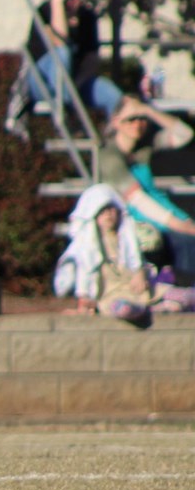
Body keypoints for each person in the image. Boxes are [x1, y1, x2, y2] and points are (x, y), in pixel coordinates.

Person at [98, 93, 195, 277]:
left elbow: (185, 134)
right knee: (186, 243)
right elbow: (138, 200)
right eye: (131, 119)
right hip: (139, 222)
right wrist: (179, 225)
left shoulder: (143, 149)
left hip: (166, 215)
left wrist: (148, 110)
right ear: (116, 122)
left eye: (141, 119)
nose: (137, 124)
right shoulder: (109, 157)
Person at [54, 184, 155, 326]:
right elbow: (84, 271)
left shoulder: (126, 239)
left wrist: (140, 272)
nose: (108, 214)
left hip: (139, 291)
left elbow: (140, 256)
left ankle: (154, 307)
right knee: (124, 309)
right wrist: (84, 300)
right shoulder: (88, 245)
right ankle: (143, 310)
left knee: (179, 296)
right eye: (102, 211)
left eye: (111, 209)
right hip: (111, 296)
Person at [28, 0, 123, 117]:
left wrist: (74, 88)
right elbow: (59, 45)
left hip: (75, 84)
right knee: (62, 53)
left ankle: (117, 130)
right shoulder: (44, 12)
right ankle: (66, 106)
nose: (72, 1)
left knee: (113, 95)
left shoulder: (87, 18)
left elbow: (90, 60)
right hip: (42, 82)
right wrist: (57, 3)